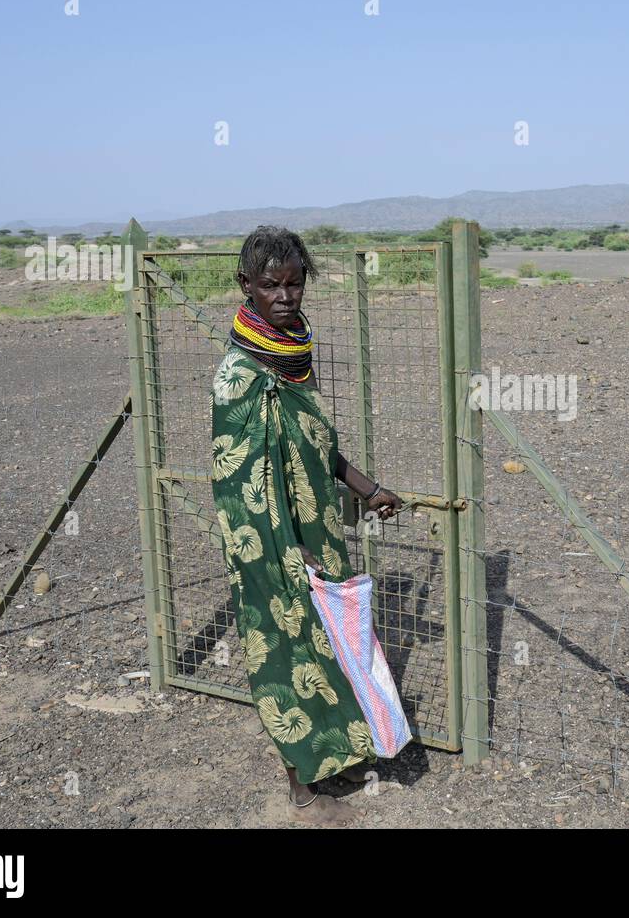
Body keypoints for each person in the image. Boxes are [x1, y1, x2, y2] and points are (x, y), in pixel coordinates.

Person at [210, 225, 404, 826]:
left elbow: (317, 445)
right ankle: (300, 787)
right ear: (247, 286)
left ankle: (336, 756)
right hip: (272, 546)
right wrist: (285, 557)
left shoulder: (294, 357)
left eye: (295, 284)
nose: (286, 297)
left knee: (335, 639)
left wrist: (367, 490)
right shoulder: (240, 379)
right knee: (290, 648)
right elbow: (240, 490)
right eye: (271, 285)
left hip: (319, 532)